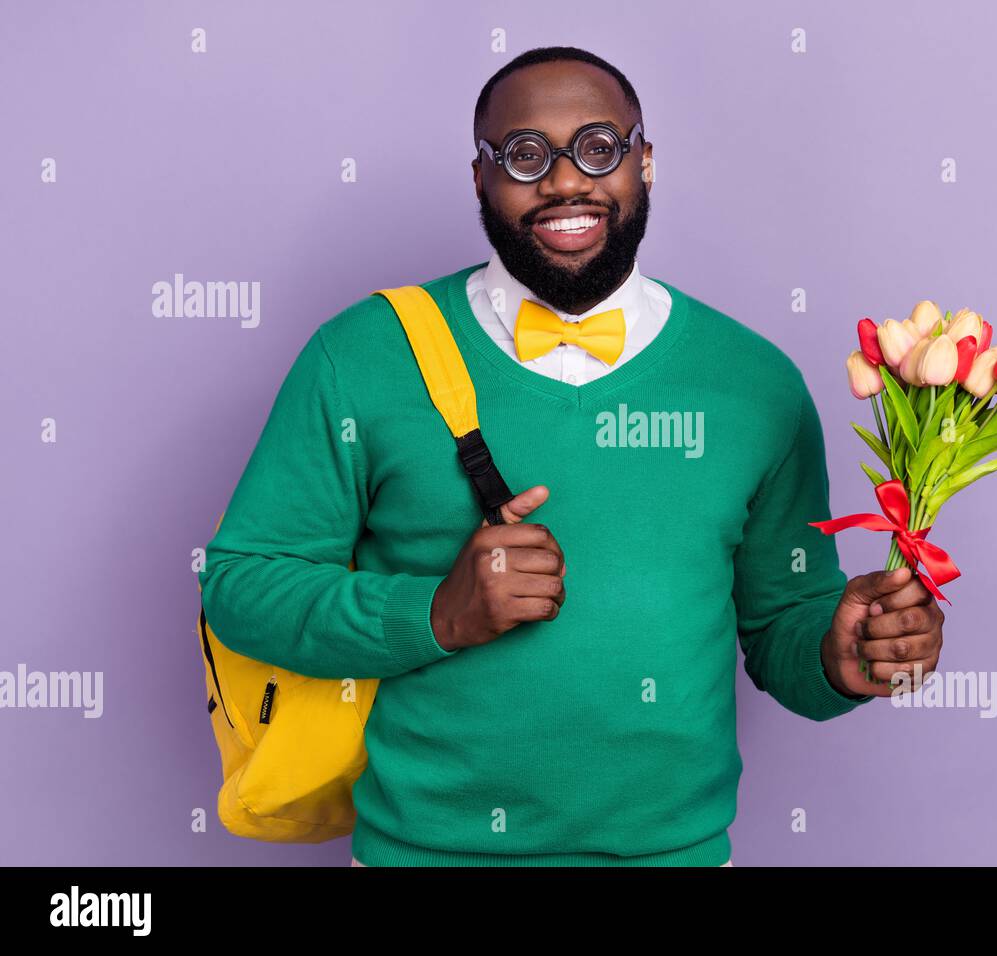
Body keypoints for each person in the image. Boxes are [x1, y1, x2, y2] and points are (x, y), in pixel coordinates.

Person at [198, 46, 945, 868]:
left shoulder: (756, 384)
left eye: (598, 147)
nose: (563, 182)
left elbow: (779, 626)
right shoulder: (362, 355)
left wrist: (837, 658)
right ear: (479, 179)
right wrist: (436, 614)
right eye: (524, 156)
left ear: (645, 162)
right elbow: (241, 583)